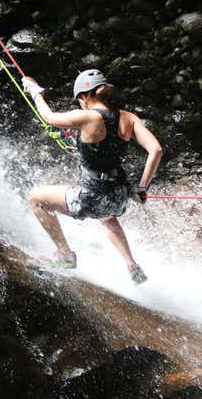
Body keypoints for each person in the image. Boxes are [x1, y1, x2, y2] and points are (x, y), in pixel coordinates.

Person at [21, 69, 163, 284]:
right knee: (106, 216)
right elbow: (156, 150)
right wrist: (142, 188)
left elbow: (48, 117)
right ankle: (131, 265)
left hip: (92, 196)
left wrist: (34, 91)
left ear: (85, 96)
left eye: (79, 99)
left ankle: (64, 255)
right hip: (118, 196)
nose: (80, 104)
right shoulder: (129, 118)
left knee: (35, 198)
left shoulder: (88, 116)